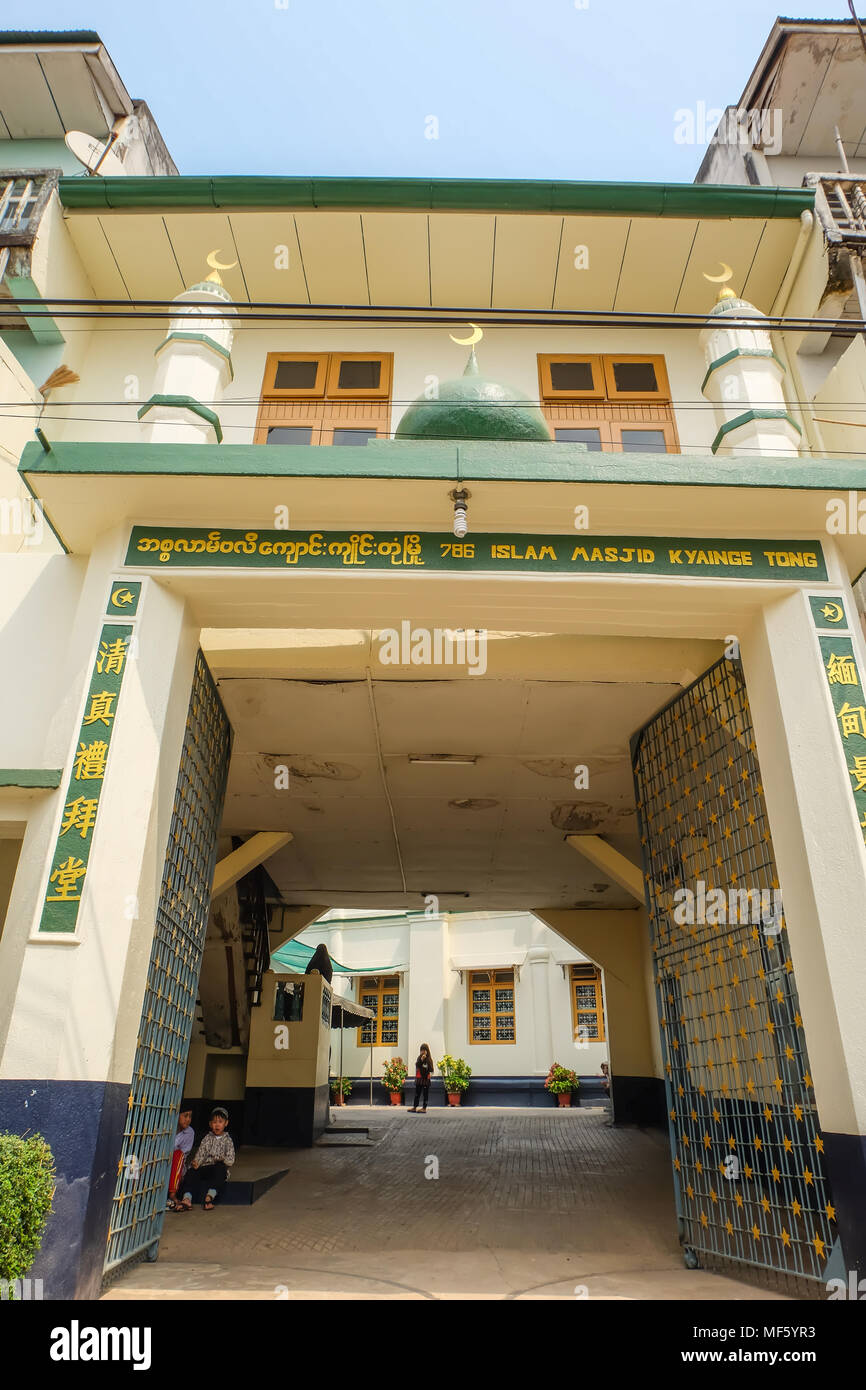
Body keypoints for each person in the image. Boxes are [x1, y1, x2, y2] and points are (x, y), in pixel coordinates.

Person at [173, 1106, 235, 1211]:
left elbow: (231, 1159)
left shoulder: (228, 1140)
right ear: (210, 1124)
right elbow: (201, 1152)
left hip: (217, 1167)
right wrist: (196, 1162)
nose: (217, 1125)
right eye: (214, 1122)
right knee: (191, 1172)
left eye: (220, 1122)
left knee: (221, 1170)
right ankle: (187, 1199)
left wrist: (222, 1160)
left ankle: (209, 1197)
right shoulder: (207, 1138)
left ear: (226, 1123)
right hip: (205, 1167)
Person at [166, 1102, 195, 1207]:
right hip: (162, 1161)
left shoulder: (190, 1132)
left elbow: (183, 1154)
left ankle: (172, 1194)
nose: (188, 1119)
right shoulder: (167, 1128)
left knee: (178, 1154)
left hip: (177, 1167)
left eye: (190, 1116)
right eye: (185, 1115)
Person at [410, 1044, 435, 1112]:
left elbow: (431, 1069)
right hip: (419, 1078)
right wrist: (421, 1059)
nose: (422, 1052)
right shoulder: (419, 1057)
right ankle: (414, 1107)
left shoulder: (429, 1059)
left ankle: (424, 1108)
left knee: (425, 1094)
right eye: (421, 1050)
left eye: (424, 1050)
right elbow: (417, 1065)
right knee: (417, 1093)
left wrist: (426, 1061)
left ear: (427, 1051)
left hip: (425, 1079)